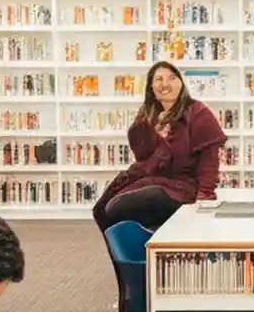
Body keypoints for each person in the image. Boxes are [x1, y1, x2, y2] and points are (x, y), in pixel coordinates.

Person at [92, 61, 226, 265]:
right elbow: (142, 155)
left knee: (116, 208)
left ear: (181, 83)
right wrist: (154, 130)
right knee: (101, 208)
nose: (166, 83)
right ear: (151, 88)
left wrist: (204, 196)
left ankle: (139, 263)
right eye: (159, 79)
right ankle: (127, 269)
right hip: (152, 178)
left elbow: (209, 159)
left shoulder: (198, 113)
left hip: (182, 186)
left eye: (172, 78)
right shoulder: (149, 114)